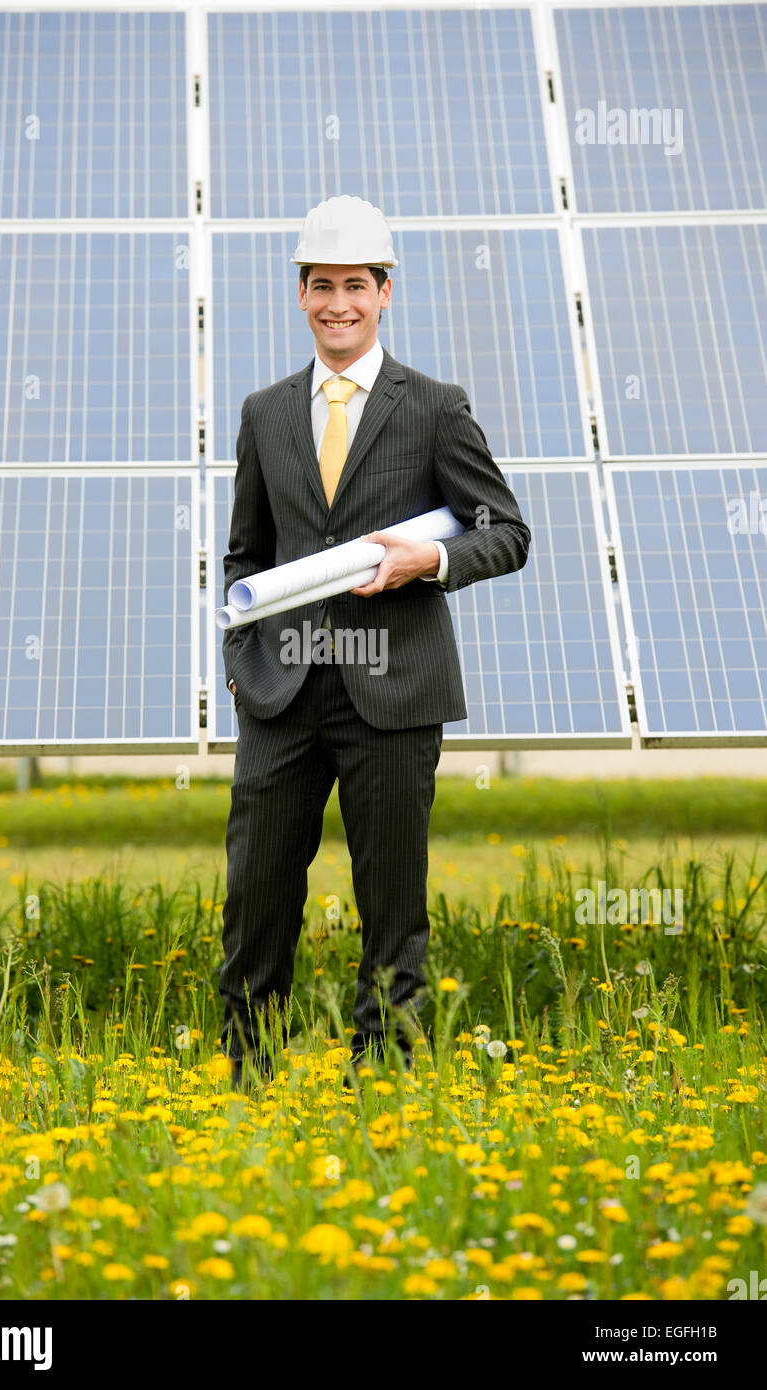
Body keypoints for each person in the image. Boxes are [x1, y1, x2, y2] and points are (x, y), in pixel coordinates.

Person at [219, 195, 531, 1089]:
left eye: (356, 286)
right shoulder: (265, 413)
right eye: (322, 287)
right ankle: (250, 1076)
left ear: (385, 291)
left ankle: (384, 1077)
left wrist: (426, 558)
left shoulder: (435, 407)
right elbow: (247, 552)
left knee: (392, 905)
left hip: (395, 695)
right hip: (281, 695)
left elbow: (504, 530)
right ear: (302, 294)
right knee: (257, 896)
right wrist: (245, 674)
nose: (338, 304)